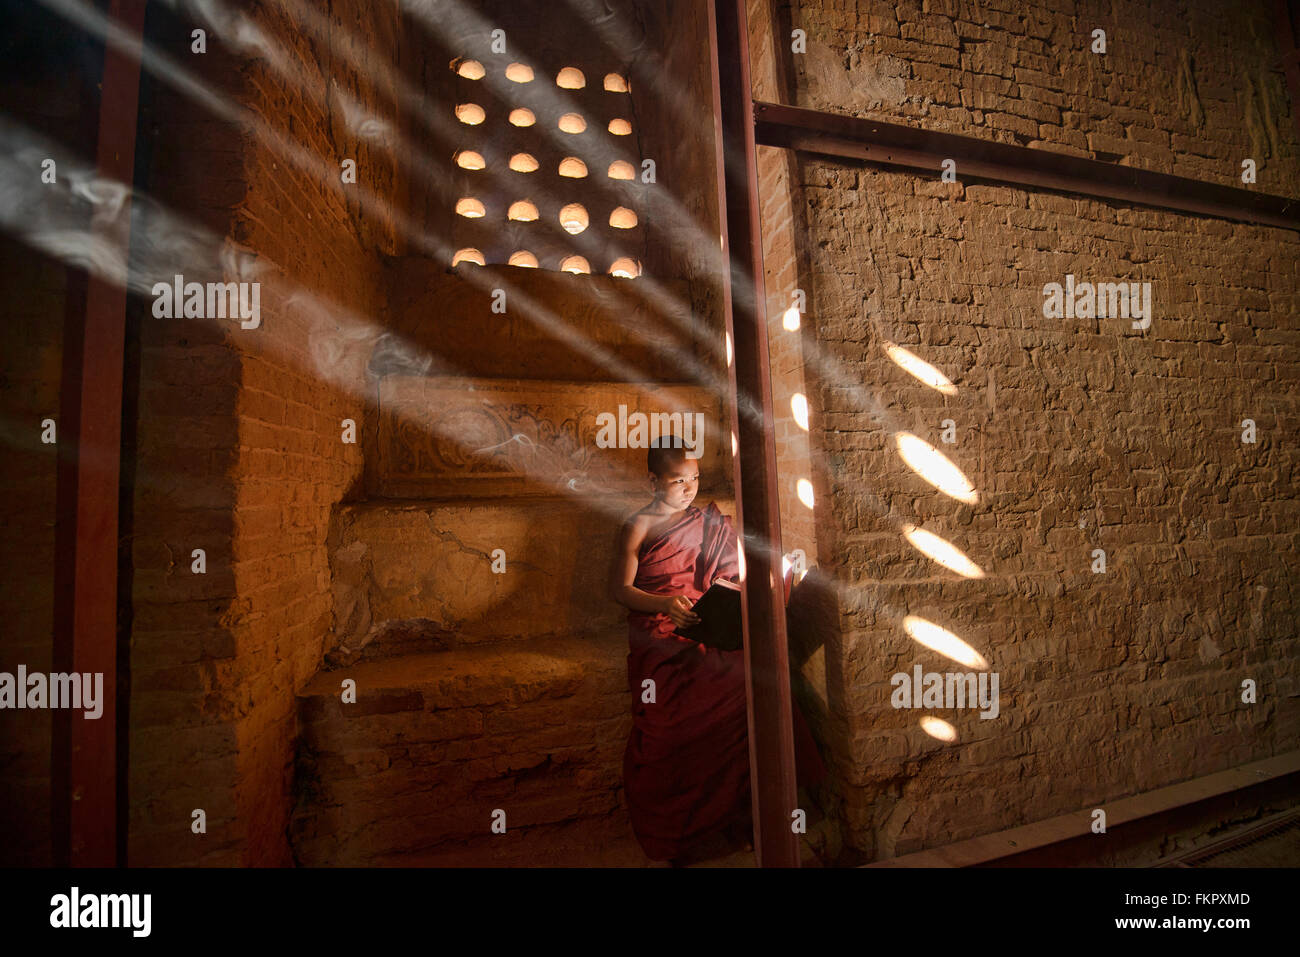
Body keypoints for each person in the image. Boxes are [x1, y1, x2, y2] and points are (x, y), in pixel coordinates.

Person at [609, 434, 826, 864]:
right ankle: (681, 832)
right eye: (677, 481)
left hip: (704, 622)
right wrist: (665, 605)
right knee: (674, 717)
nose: (689, 489)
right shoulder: (638, 525)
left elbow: (727, 570)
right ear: (653, 481)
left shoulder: (707, 520)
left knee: (751, 679)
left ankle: (744, 817)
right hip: (660, 630)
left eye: (694, 478)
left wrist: (730, 596)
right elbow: (619, 590)